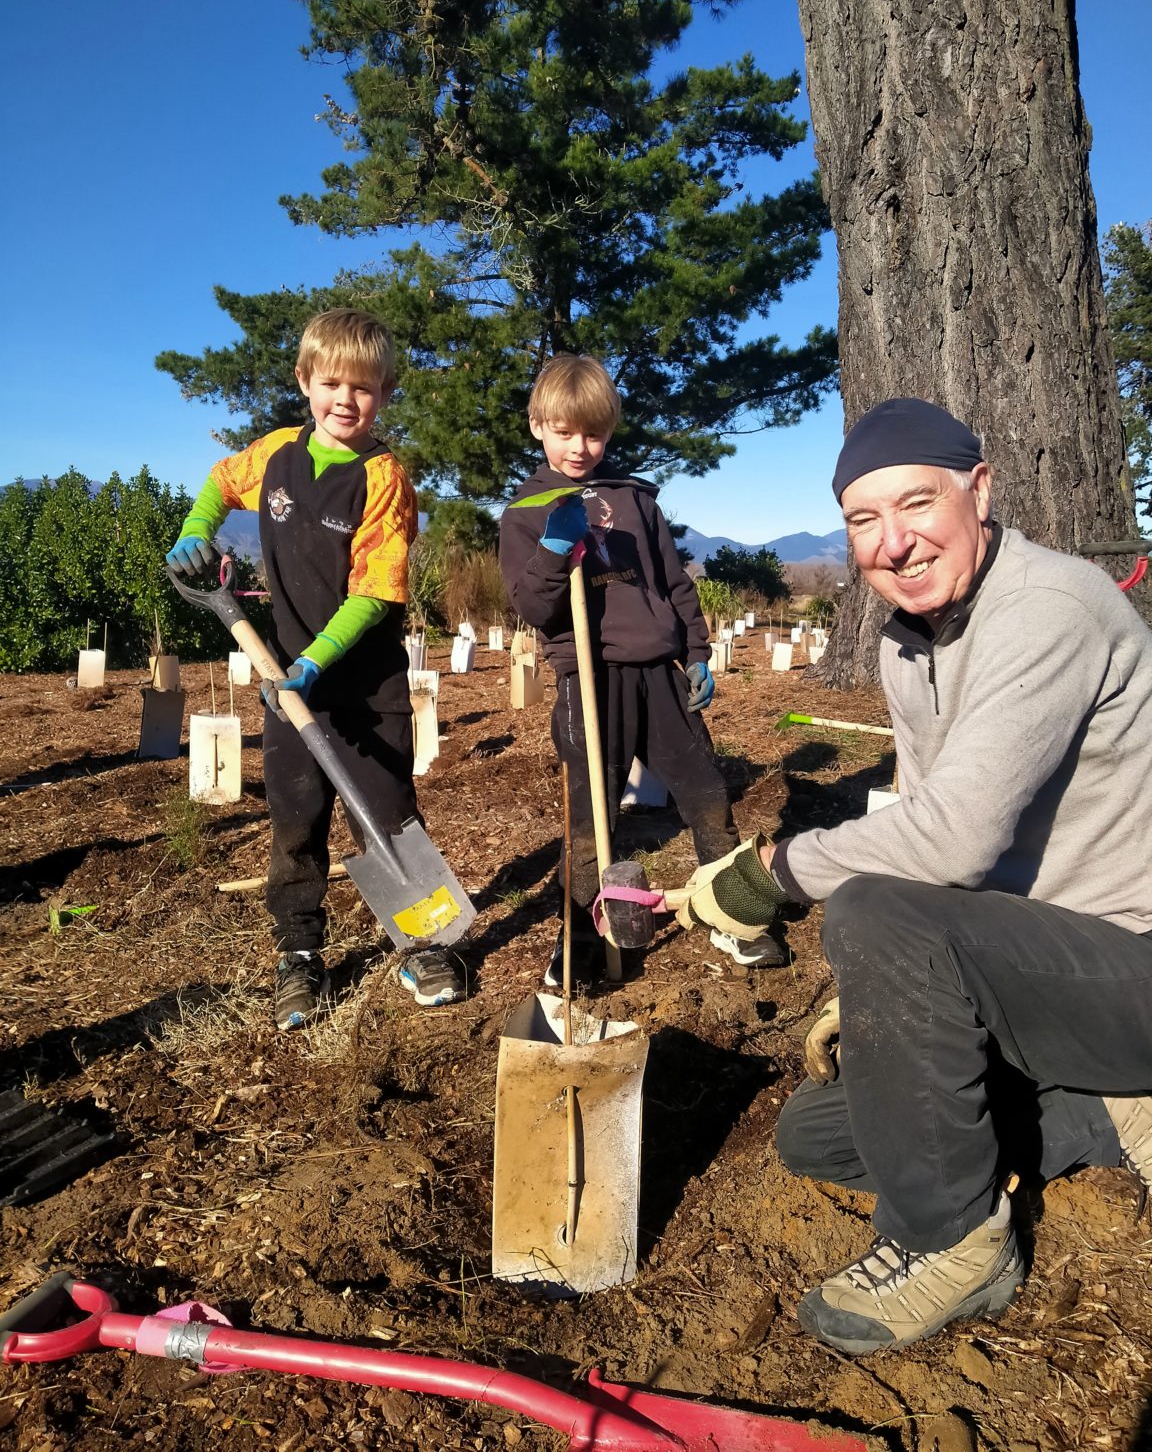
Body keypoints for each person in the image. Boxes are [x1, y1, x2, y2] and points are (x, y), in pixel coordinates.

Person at [673, 397, 1152, 1355]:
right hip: (1030, 973)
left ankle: (953, 1246)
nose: (893, 543)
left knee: (875, 912)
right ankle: (1109, 1112)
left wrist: (773, 871)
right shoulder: (907, 639)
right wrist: (888, 1006)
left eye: (917, 504)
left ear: (979, 490)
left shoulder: (1049, 607)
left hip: (1125, 968)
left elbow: (952, 843)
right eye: (862, 521)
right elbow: (933, 838)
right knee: (818, 1135)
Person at [166, 308, 465, 1028]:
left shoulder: (384, 478)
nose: (345, 399)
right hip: (286, 686)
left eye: (363, 387)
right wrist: (194, 530)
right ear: (304, 380)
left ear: (385, 393)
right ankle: (298, 952)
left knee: (388, 819)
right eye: (331, 382)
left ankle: (422, 939)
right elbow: (219, 481)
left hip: (365, 685)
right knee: (295, 821)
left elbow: (373, 596)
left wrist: (313, 664)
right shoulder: (276, 453)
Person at [499, 353, 786, 985]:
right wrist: (553, 546)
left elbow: (674, 581)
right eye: (566, 431)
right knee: (591, 814)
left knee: (707, 794)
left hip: (660, 673)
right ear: (537, 426)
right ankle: (575, 942)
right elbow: (533, 606)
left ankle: (736, 918)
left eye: (594, 433)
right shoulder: (526, 511)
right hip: (591, 679)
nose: (581, 446)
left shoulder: (636, 500)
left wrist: (698, 651)